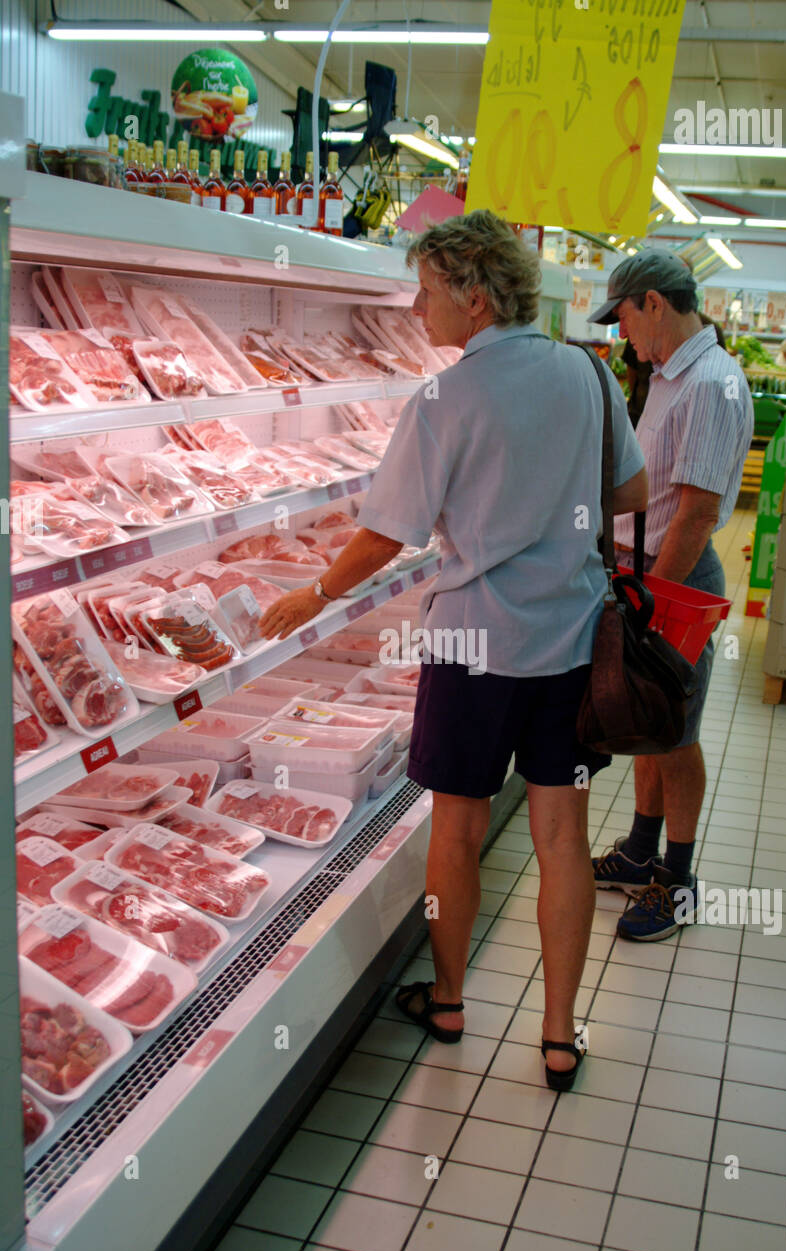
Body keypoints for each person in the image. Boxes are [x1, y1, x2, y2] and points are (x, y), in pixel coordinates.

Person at [260, 210, 647, 1090]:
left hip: (473, 644)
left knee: (457, 829)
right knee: (561, 834)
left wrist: (313, 593)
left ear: (475, 297)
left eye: (428, 291)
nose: (417, 307)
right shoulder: (587, 373)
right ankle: (557, 1035)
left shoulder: (446, 398)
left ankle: (449, 999)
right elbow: (631, 489)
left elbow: (382, 536)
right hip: (574, 640)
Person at [587, 248, 753, 942]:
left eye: (622, 315)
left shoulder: (712, 383)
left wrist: (650, 602)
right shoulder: (670, 375)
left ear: (653, 302)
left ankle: (676, 881)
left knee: (676, 735)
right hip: (647, 574)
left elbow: (693, 512)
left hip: (675, 582)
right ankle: (638, 851)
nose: (621, 333)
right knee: (651, 722)